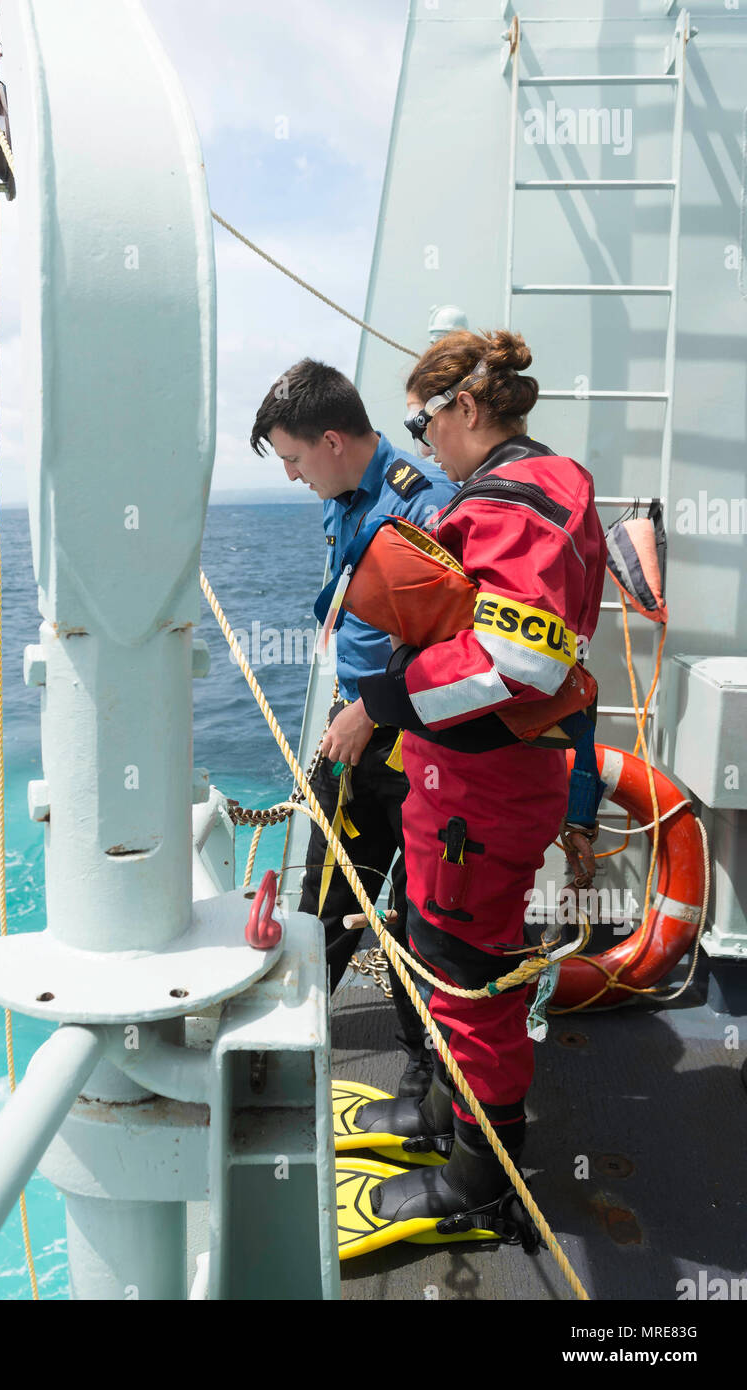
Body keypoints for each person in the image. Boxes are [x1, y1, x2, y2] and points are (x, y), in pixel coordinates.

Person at [353, 329, 607, 1227]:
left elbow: (513, 662)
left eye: (424, 422)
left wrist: (384, 696)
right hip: (456, 787)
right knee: (432, 952)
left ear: (465, 406)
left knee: (471, 984)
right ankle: (436, 1116)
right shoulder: (538, 490)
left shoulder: (518, 501)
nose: (422, 443)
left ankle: (481, 1175)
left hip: (481, 792)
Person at [250, 358, 458, 1096]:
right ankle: (292, 1035)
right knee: (330, 893)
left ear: (333, 441)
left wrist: (369, 711)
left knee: (409, 916)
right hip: (359, 732)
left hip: (404, 740)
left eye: (295, 458)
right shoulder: (347, 497)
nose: (291, 476)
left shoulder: (426, 504)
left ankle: (431, 1078)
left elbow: (457, 642)